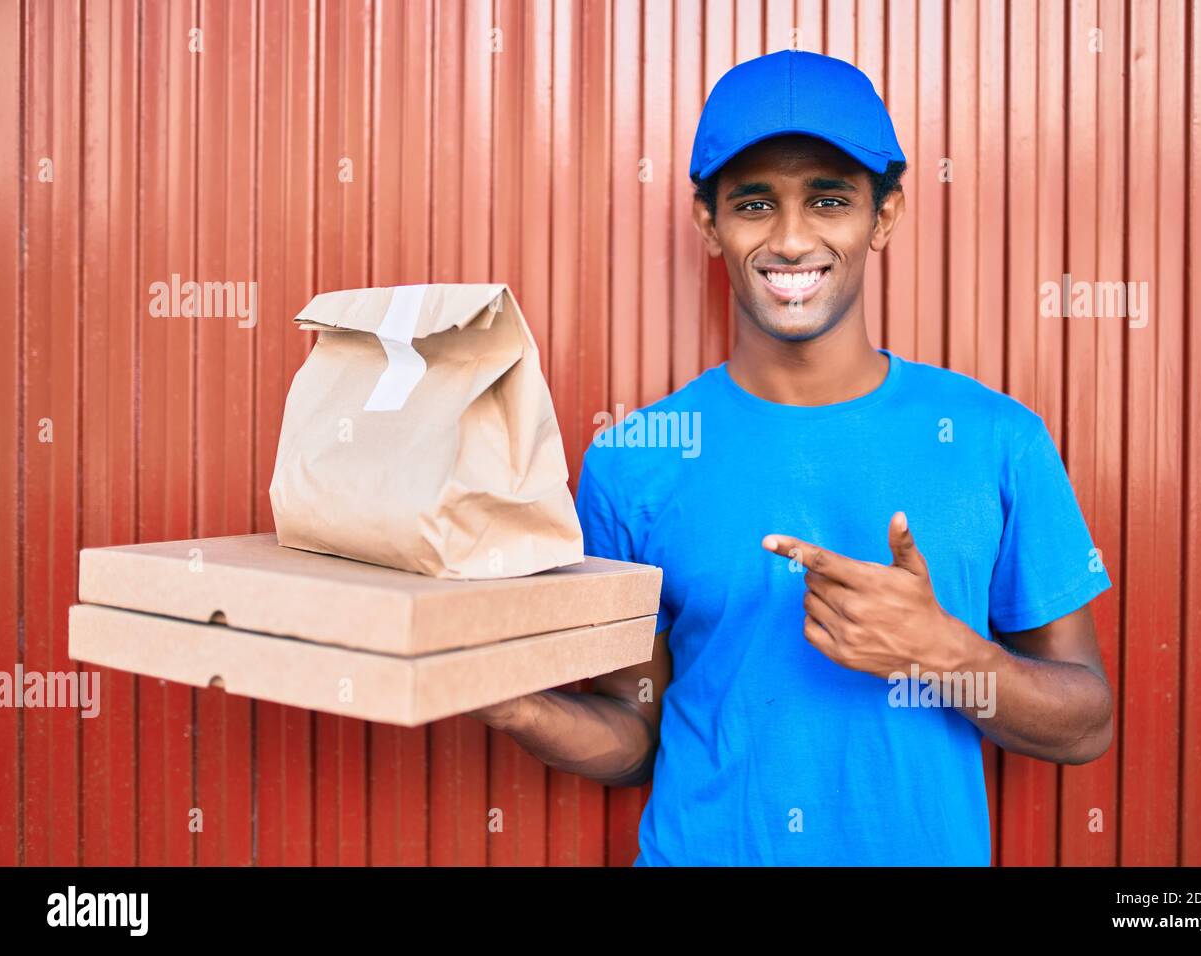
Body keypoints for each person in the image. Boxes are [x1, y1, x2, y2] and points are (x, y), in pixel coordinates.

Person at [467, 49, 1113, 866]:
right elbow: (637, 733)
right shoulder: (632, 460)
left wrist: (941, 651)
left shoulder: (996, 439)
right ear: (711, 224)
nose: (792, 238)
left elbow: (1087, 723)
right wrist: (508, 701)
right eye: (755, 203)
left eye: (830, 199)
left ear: (884, 217)